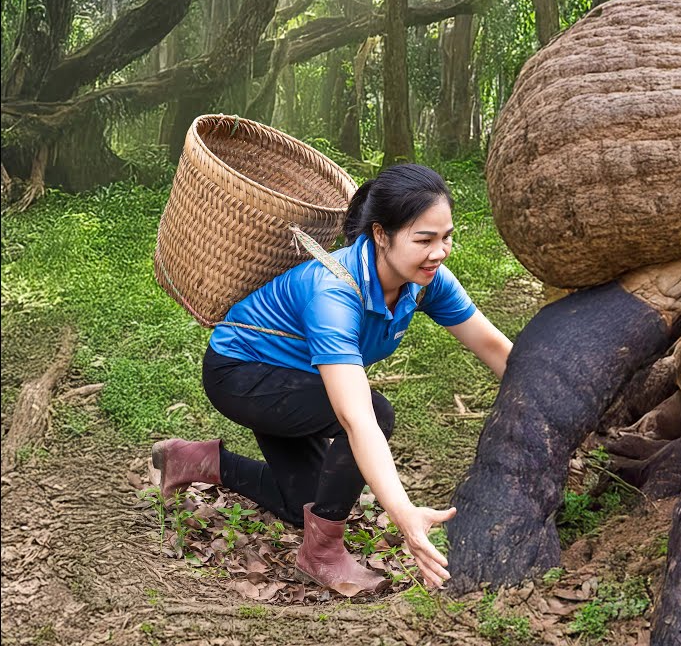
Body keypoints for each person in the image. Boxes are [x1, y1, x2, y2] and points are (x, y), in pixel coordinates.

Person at [151, 163, 512, 594]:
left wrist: (554, 409)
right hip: (242, 374)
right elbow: (356, 418)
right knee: (375, 413)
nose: (440, 251)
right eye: (424, 240)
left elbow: (494, 348)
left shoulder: (426, 281)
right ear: (381, 234)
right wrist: (404, 513)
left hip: (299, 379)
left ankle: (193, 460)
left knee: (302, 502)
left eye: (446, 236)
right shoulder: (335, 292)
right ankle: (321, 554)